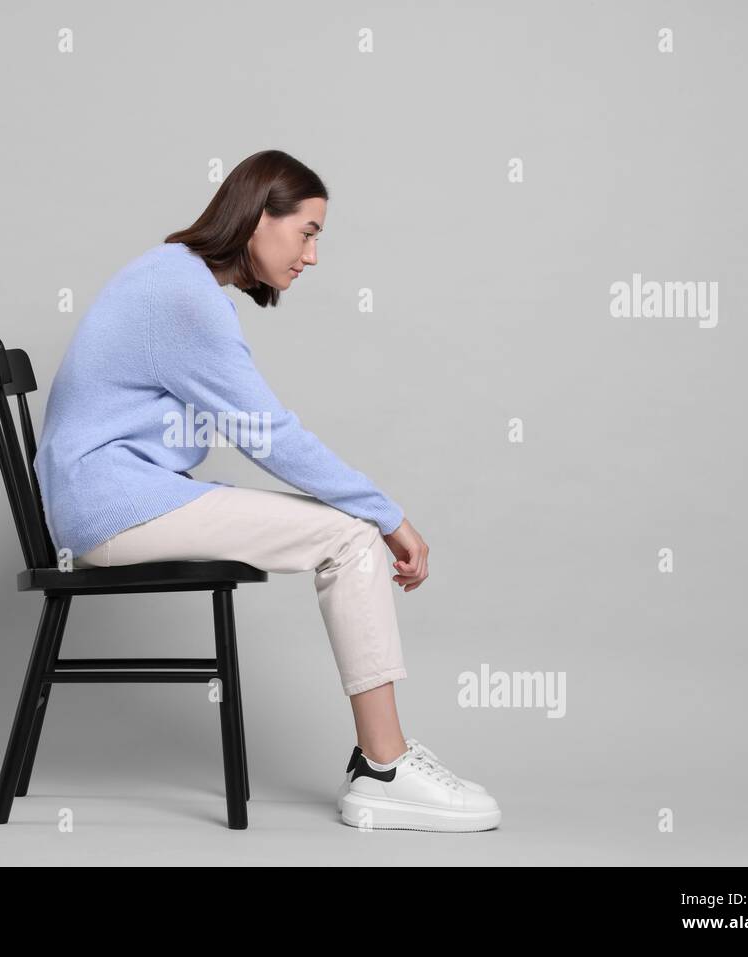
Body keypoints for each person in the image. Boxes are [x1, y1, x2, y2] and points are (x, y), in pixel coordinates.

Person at [33, 149, 500, 832]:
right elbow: (271, 435)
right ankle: (384, 766)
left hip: (105, 501)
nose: (311, 256)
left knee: (345, 527)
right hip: (111, 510)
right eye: (307, 232)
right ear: (258, 217)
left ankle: (383, 761)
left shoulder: (172, 277)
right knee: (351, 534)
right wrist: (388, 512)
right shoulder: (184, 296)